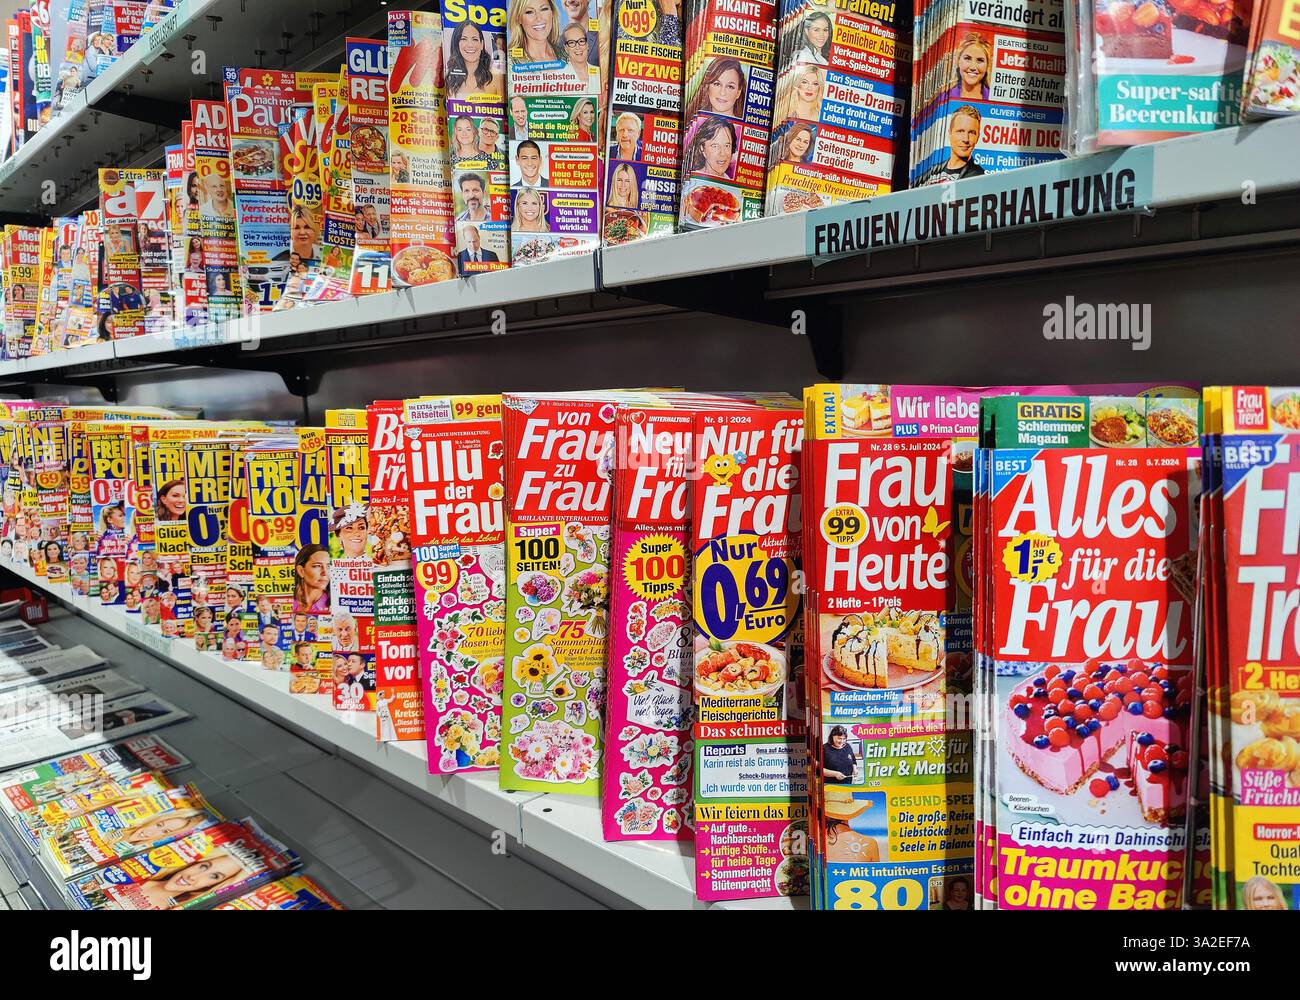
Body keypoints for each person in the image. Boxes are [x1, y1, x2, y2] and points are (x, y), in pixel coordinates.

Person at [446, 20, 503, 99]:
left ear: (482, 44)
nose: (470, 45)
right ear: (456, 44)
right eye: (464, 39)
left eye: (475, 39)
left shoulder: (496, 79)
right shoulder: (450, 80)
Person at [927, 105, 985, 183]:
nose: (966, 139)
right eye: (960, 131)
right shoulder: (933, 170)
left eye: (972, 133)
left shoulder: (979, 177)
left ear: (978, 137)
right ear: (950, 133)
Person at [684, 58, 746, 122]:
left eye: (730, 87)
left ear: (738, 92)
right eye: (717, 84)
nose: (722, 92)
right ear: (707, 86)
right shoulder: (691, 122)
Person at [948, 32, 991, 101]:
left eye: (980, 60)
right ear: (958, 61)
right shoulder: (944, 98)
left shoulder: (995, 99)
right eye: (967, 58)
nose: (973, 67)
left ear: (987, 65)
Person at [293, 543, 331, 613]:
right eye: (317, 566)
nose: (325, 573)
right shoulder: (289, 602)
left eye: (328, 566)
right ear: (301, 571)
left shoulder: (333, 604)